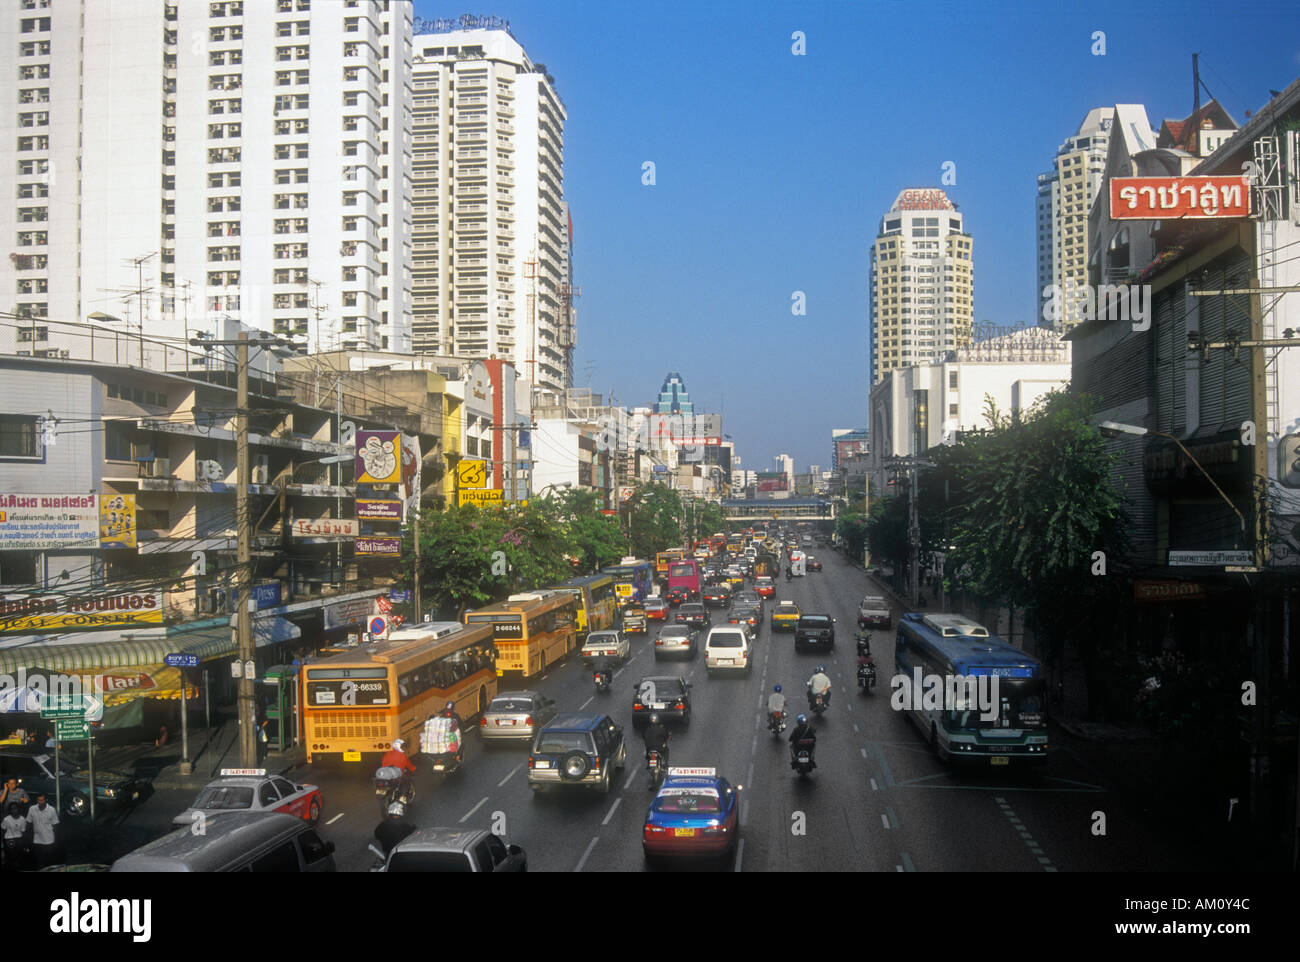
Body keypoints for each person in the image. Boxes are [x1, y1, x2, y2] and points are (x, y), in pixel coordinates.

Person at [26, 792, 59, 869]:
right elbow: (28, 823)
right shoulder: (32, 809)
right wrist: (28, 839)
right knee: (39, 861)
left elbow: (56, 825)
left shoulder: (51, 810)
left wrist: (56, 841)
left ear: (46, 800)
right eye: (39, 800)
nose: (40, 802)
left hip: (49, 840)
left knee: (49, 861)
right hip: (37, 840)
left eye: (42, 800)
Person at [2, 803, 27, 872]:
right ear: (10, 810)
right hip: (9, 839)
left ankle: (17, 868)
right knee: (12, 857)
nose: (14, 810)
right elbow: (3, 831)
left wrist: (24, 844)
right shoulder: (6, 819)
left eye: (15, 808)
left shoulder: (22, 819)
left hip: (19, 840)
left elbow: (23, 832)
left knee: (18, 857)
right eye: (12, 809)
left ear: (18, 809)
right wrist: (3, 843)